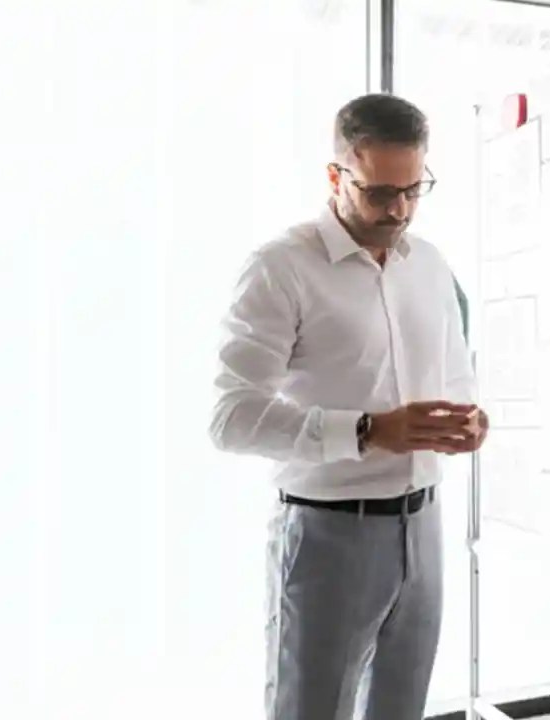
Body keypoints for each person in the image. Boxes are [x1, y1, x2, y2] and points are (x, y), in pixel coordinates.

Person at [208, 93, 487, 720]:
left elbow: (457, 376)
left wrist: (472, 421)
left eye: (414, 190)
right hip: (327, 532)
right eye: (380, 193)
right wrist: (366, 431)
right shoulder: (280, 268)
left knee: (401, 710)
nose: (400, 210)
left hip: (424, 527)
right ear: (336, 177)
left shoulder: (430, 264)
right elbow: (231, 418)